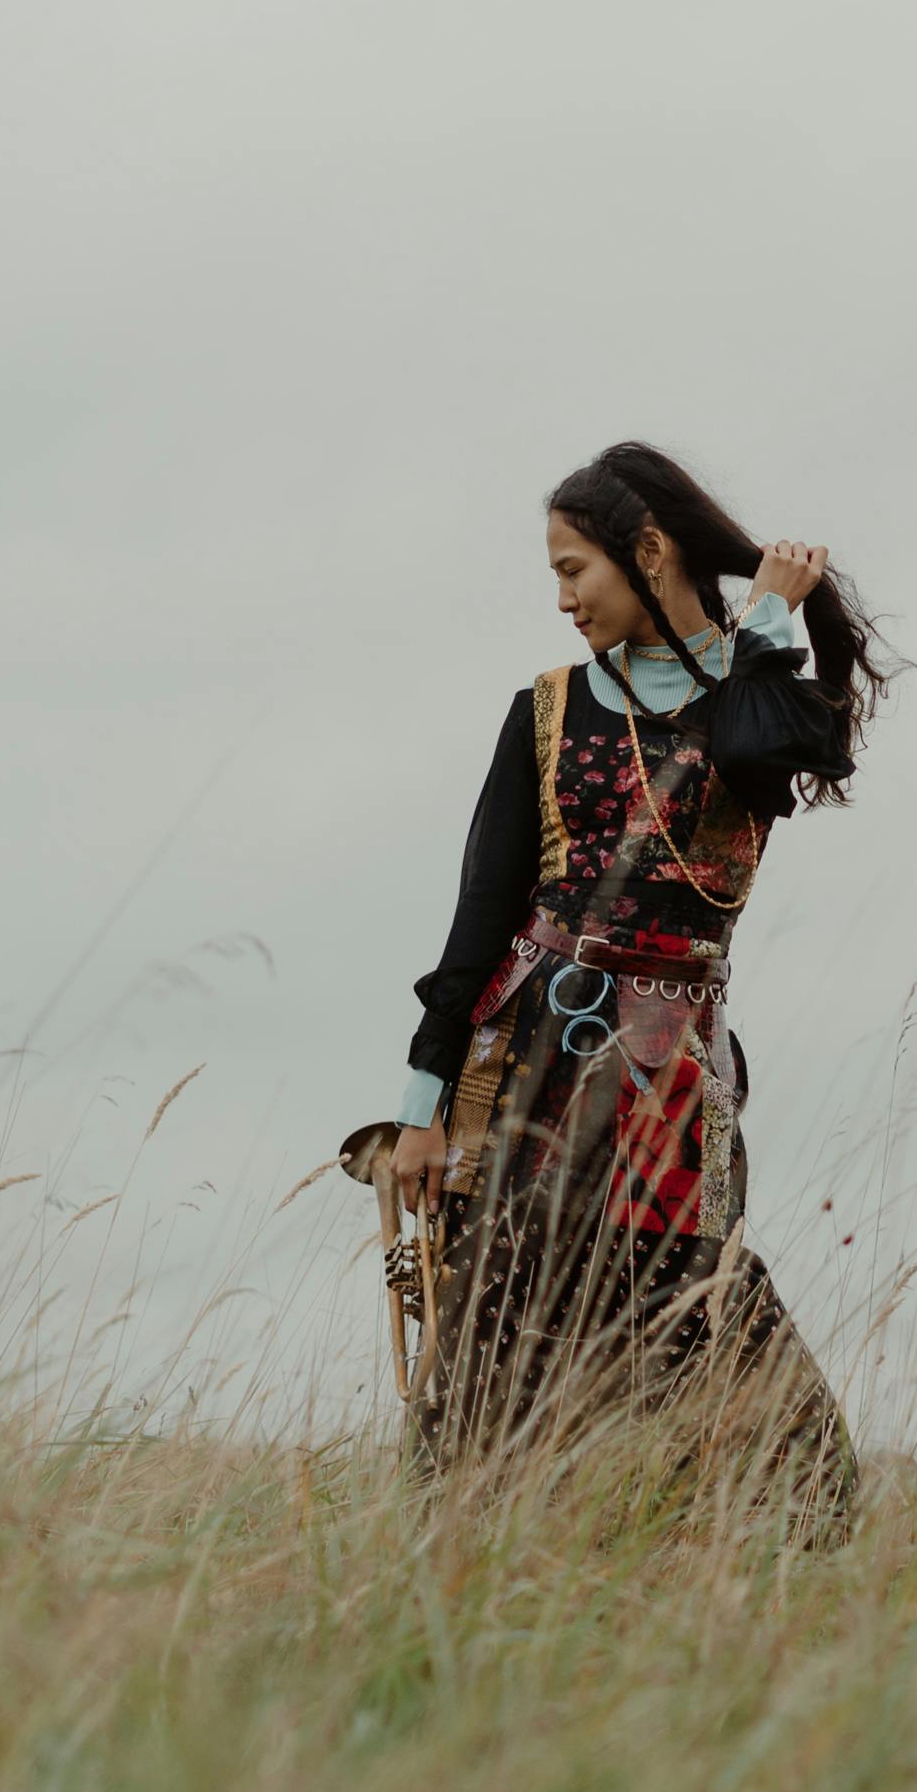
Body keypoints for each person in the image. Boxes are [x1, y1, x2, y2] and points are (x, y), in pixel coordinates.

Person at [344, 441, 883, 1528]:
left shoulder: (770, 696)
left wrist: (766, 625)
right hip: (526, 1076)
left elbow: (746, 760)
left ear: (648, 551)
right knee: (484, 1398)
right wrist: (418, 1112)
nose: (561, 600)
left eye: (574, 569)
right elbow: (477, 923)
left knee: (783, 1432)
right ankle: (451, 1596)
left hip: (672, 1093)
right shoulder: (542, 710)